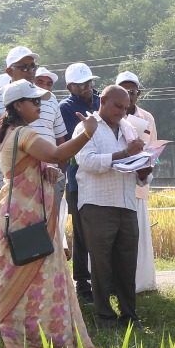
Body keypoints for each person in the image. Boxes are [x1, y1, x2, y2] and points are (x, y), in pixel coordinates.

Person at [0, 80, 99, 348]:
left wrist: (45, 168)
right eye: (33, 101)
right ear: (18, 106)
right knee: (41, 279)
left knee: (25, 278)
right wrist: (87, 134)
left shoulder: (10, 133)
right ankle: (45, 341)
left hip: (20, 216)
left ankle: (24, 341)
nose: (40, 105)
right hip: (29, 220)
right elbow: (57, 153)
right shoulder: (23, 133)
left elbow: (37, 162)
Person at [77, 84, 150, 327]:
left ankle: (129, 316)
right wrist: (124, 154)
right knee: (101, 263)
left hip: (127, 202)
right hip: (98, 203)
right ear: (104, 100)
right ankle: (105, 316)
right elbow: (86, 162)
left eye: (125, 107)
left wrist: (145, 167)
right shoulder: (87, 126)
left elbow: (141, 169)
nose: (121, 111)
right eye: (118, 106)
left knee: (127, 263)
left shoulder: (129, 127)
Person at [0, 46, 63, 192]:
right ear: (9, 72)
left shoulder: (49, 97)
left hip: (50, 180)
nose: (30, 71)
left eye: (33, 66)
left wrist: (62, 174)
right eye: (24, 67)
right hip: (13, 188)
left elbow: (60, 138)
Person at [59, 62, 100, 300]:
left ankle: (102, 280)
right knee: (82, 233)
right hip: (77, 178)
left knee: (99, 231)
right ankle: (83, 283)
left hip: (100, 175)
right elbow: (72, 141)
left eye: (89, 83)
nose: (87, 87)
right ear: (70, 86)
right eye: (82, 84)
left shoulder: (98, 101)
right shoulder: (66, 107)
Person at [117, 70, 159, 293]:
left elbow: (154, 149)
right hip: (115, 181)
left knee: (138, 232)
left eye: (131, 91)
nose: (128, 95)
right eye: (123, 90)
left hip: (139, 180)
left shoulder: (147, 118)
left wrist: (149, 160)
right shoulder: (109, 115)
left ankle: (141, 282)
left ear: (138, 94)